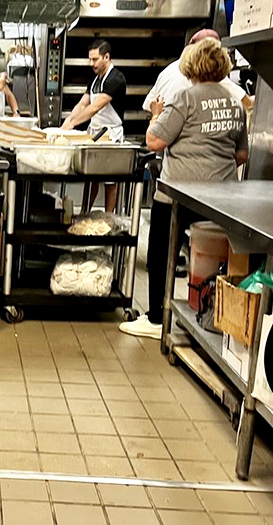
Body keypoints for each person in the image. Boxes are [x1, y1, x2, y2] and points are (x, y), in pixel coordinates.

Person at [120, 38, 248, 339]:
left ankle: (155, 319)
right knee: (214, 260)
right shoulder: (235, 103)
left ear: (192, 65)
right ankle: (213, 315)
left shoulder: (185, 97)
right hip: (222, 196)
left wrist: (155, 115)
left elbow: (155, 141)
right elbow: (241, 155)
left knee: (162, 254)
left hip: (180, 193)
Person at [62, 39, 126, 213]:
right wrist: (67, 122)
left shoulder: (116, 78)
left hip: (110, 135)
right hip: (94, 133)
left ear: (106, 57)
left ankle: (108, 220)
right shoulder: (96, 79)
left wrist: (74, 123)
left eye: (95, 59)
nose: (91, 63)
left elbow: (95, 107)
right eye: (90, 59)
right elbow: (83, 104)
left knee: (110, 182)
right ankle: (84, 214)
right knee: (90, 178)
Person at [143, 28, 254, 116]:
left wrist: (158, 117)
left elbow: (149, 106)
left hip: (163, 133)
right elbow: (247, 103)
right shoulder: (209, 71)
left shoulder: (168, 70)